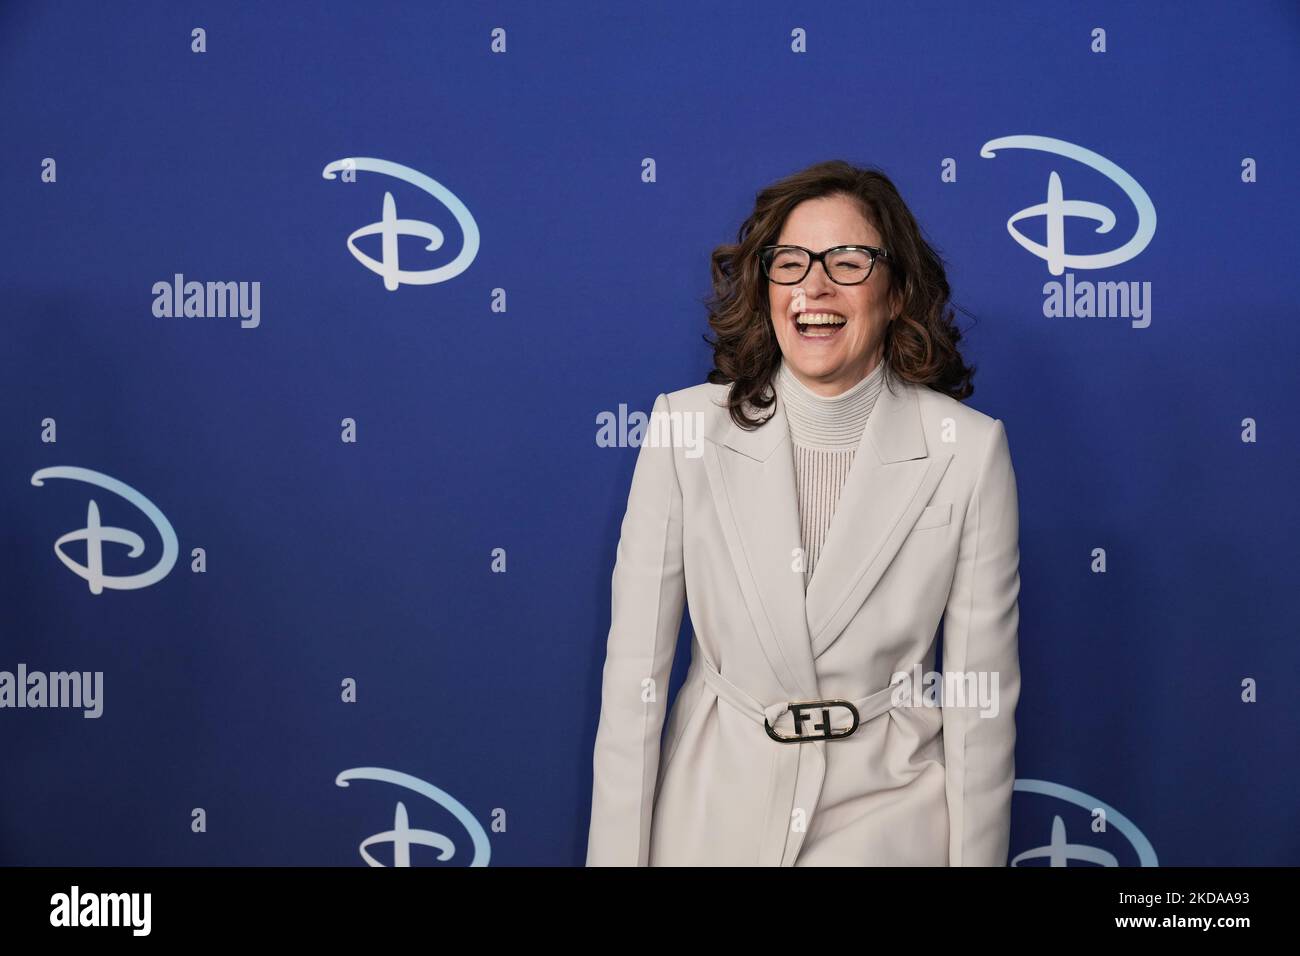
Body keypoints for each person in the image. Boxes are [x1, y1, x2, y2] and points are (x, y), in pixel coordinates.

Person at [586, 160, 1021, 866]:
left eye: (848, 262)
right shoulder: (682, 429)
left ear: (897, 291)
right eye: (789, 263)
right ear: (765, 289)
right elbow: (633, 682)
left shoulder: (968, 451)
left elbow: (981, 706)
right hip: (710, 820)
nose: (813, 285)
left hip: (888, 825)